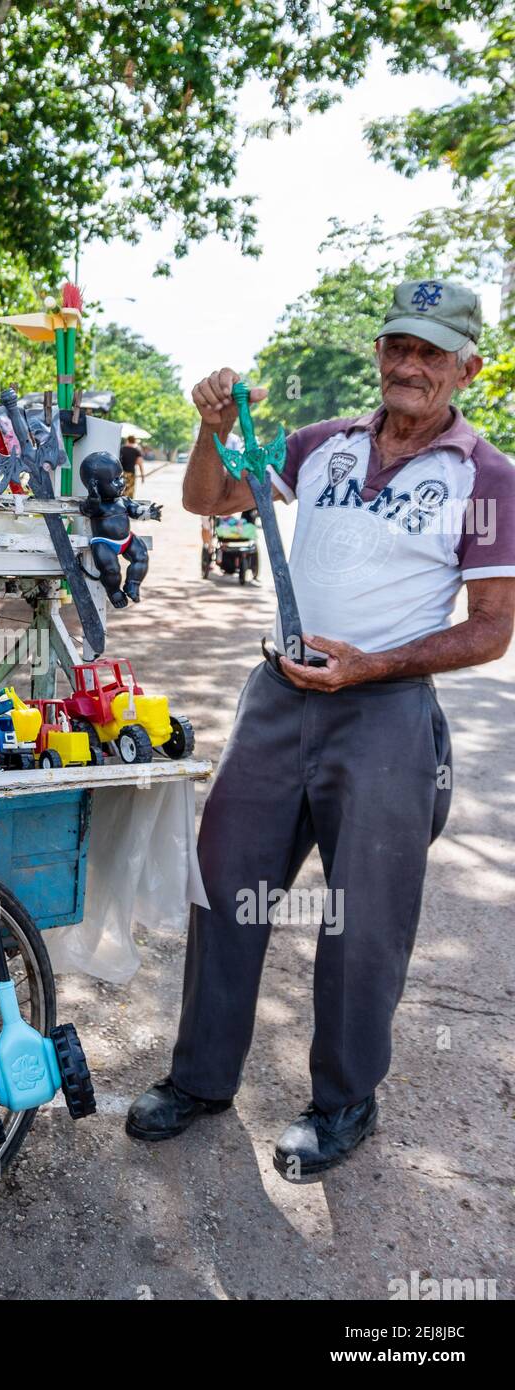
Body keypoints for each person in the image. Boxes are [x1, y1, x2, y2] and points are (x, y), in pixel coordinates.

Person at [128, 280, 515, 1180]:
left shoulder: (486, 478)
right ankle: (200, 1078)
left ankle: (343, 1103)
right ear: (379, 353)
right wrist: (212, 427)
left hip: (385, 716)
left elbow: (494, 627)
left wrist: (373, 666)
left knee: (363, 921)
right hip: (278, 699)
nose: (408, 367)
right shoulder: (321, 445)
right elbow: (209, 501)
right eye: (397, 348)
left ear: (468, 367)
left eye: (430, 353)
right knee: (223, 885)